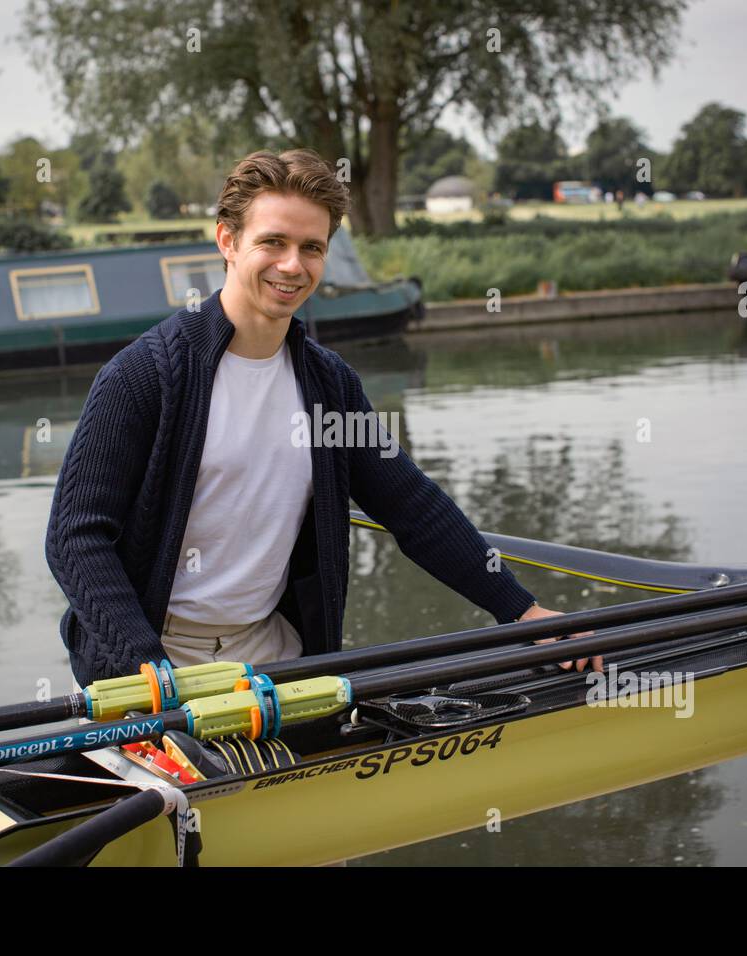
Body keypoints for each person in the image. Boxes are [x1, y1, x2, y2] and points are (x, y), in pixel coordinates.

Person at [45, 148, 599, 687]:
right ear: (228, 241)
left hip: (276, 658)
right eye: (273, 242)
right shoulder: (143, 377)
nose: (293, 265)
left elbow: (411, 506)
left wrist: (522, 612)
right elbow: (75, 537)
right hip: (155, 661)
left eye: (312, 247)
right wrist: (145, 667)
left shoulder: (330, 386)